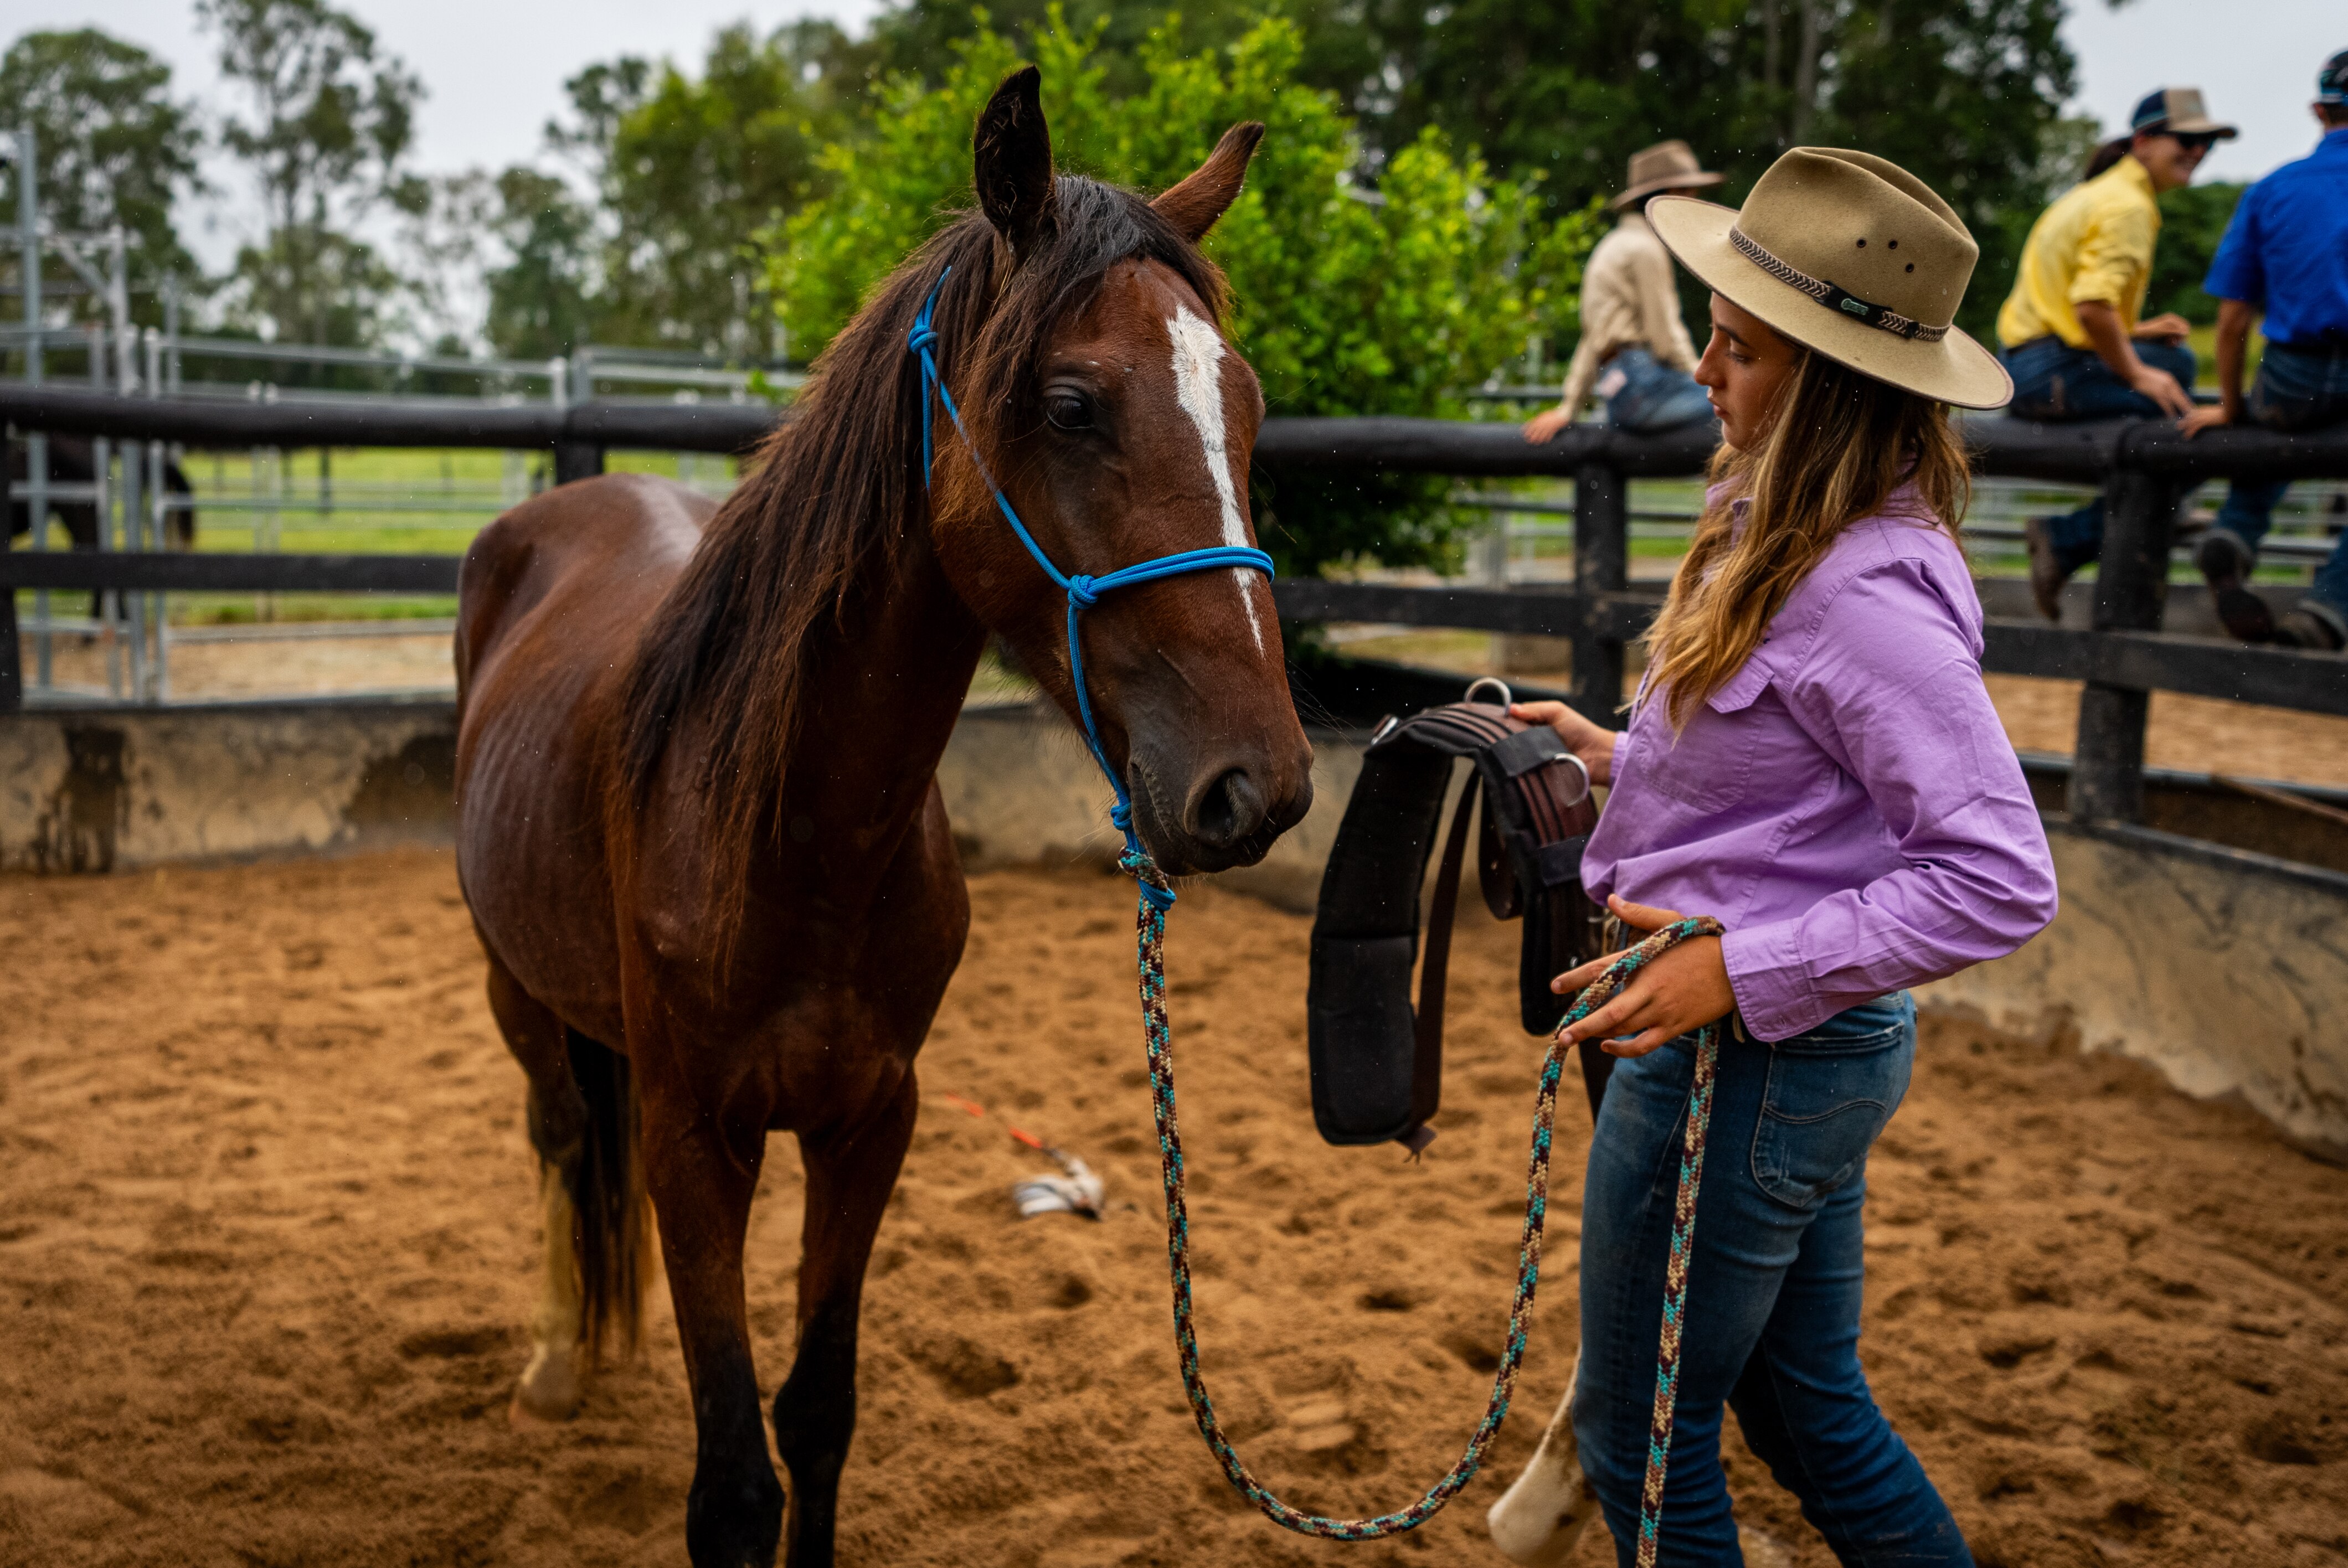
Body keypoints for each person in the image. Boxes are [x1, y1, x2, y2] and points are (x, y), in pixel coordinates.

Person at [1508, 147, 2058, 1565]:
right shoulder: (1791, 531)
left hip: (1743, 1062)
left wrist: (1733, 972)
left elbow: (1998, 870)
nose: (1703, 367)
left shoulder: (1854, 591)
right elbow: (1800, 801)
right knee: (1806, 1406)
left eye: (1739, 350)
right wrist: (1618, 753)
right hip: (1793, 1059)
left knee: (1641, 1443)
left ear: (1819, 383)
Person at [1995, 87, 2236, 619]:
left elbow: (2069, 307)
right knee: (2181, 399)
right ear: (2145, 141)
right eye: (2187, 140)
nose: (2198, 152)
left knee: (2170, 367)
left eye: (2206, 145)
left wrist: (2139, 330)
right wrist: (2137, 371)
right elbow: (2090, 306)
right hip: (2048, 373)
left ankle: (2152, 509)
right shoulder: (2128, 206)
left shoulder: (2095, 194)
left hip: (2025, 362)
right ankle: (2095, 530)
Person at [2182, 49, 2348, 653]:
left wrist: (2231, 408)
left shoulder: (2271, 189)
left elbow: (2230, 322)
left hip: (2291, 373)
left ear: (2317, 110)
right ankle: (2327, 610)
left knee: (2273, 443)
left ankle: (2234, 533)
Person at [1525, 141, 1721, 445]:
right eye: (1689, 193)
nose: (1695, 202)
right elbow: (1665, 334)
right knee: (1748, 408)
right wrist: (1704, 379)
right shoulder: (1645, 250)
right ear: (1669, 196)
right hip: (1643, 385)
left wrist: (1569, 406)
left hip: (1619, 391)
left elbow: (1595, 336)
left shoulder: (1614, 244)